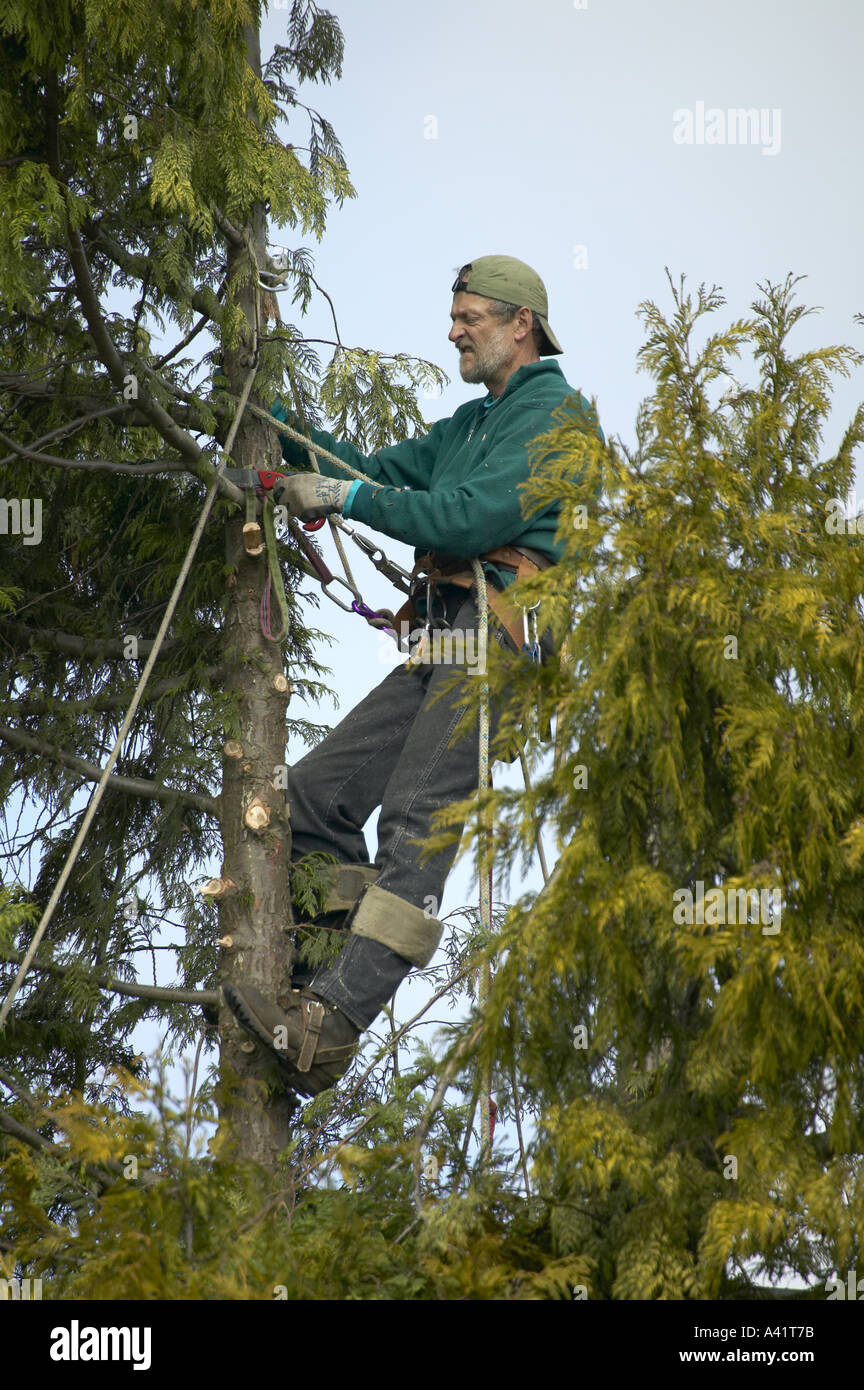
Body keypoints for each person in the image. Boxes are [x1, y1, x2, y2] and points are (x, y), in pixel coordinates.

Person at [222, 255, 602, 1096]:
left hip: (505, 631)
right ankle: (311, 979)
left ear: (520, 325)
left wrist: (343, 502)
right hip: (448, 637)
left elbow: (472, 518)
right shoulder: (472, 425)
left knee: (419, 821)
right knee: (317, 794)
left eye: (470, 316)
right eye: (456, 314)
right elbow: (370, 473)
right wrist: (269, 419)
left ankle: (330, 1026)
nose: (454, 330)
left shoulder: (556, 419)